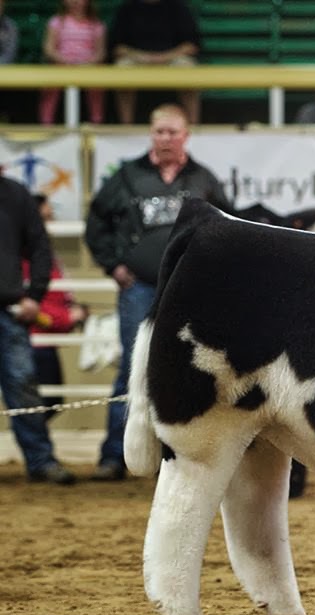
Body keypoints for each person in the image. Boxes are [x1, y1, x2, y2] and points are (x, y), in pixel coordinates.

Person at [84, 103, 232, 481]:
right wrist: (113, 264)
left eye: (172, 132)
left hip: (189, 290)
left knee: (192, 370)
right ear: (151, 134)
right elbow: (96, 222)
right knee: (132, 371)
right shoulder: (126, 177)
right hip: (140, 287)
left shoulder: (204, 181)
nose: (165, 138)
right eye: (159, 132)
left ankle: (184, 455)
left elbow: (227, 227)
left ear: (186, 135)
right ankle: (115, 455)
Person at [0, 175, 77, 485]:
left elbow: (40, 246)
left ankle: (41, 460)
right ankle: (41, 459)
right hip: (11, 309)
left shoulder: (14, 195)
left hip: (8, 310)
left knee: (23, 385)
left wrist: (35, 296)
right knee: (23, 384)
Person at [23, 194, 89, 415]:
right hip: (35, 339)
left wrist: (71, 312)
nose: (50, 221)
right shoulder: (25, 253)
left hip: (45, 339)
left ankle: (36, 445)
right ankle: (36, 447)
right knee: (39, 404)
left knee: (49, 402)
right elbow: (25, 298)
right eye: (46, 217)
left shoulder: (43, 250)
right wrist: (65, 318)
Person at [108, 0, 201, 124]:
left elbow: (191, 46)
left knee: (189, 69)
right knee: (122, 68)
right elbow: (117, 48)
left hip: (172, 58)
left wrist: (164, 57)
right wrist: (142, 57)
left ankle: (193, 126)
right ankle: (126, 125)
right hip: (137, 58)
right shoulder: (127, 9)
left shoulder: (179, 7)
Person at [39, 0, 107, 125]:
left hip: (88, 66)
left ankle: (97, 121)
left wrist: (88, 62)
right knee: (50, 85)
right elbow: (48, 48)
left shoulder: (96, 24)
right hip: (61, 64)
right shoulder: (57, 22)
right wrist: (63, 60)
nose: (76, 2)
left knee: (97, 86)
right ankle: (46, 123)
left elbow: (100, 52)